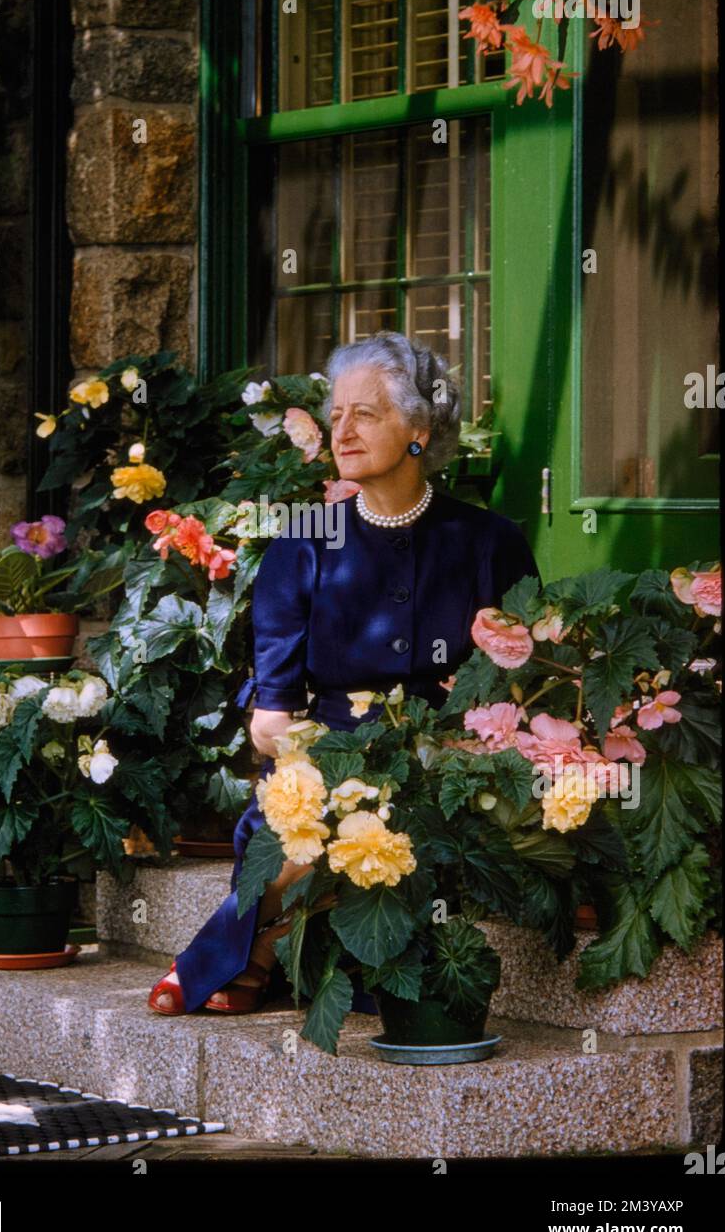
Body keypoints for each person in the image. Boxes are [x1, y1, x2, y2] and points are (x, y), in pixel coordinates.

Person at [148, 330, 541, 1016]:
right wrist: (325, 761)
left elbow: (519, 681)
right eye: (335, 415)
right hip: (325, 750)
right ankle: (267, 942)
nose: (343, 429)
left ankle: (246, 949)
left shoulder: (487, 542)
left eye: (366, 413)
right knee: (307, 817)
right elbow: (270, 719)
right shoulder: (304, 540)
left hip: (448, 757)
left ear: (418, 428)